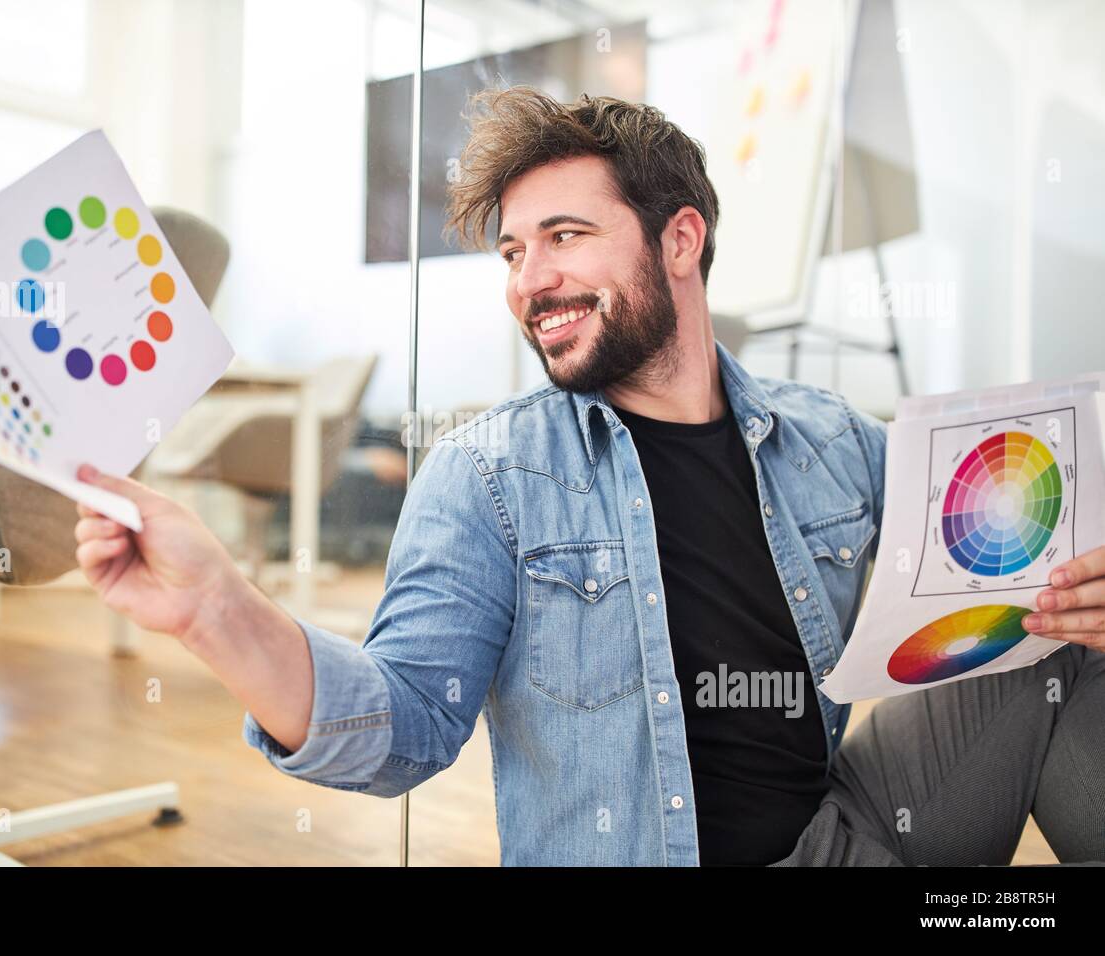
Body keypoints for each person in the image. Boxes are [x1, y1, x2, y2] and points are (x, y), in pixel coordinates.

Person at [74, 87, 1105, 866]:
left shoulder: (831, 436)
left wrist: (1080, 583)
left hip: (849, 833)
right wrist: (216, 607)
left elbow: (987, 571)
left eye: (565, 237)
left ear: (680, 241)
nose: (531, 281)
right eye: (514, 252)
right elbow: (402, 728)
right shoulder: (487, 474)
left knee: (1065, 640)